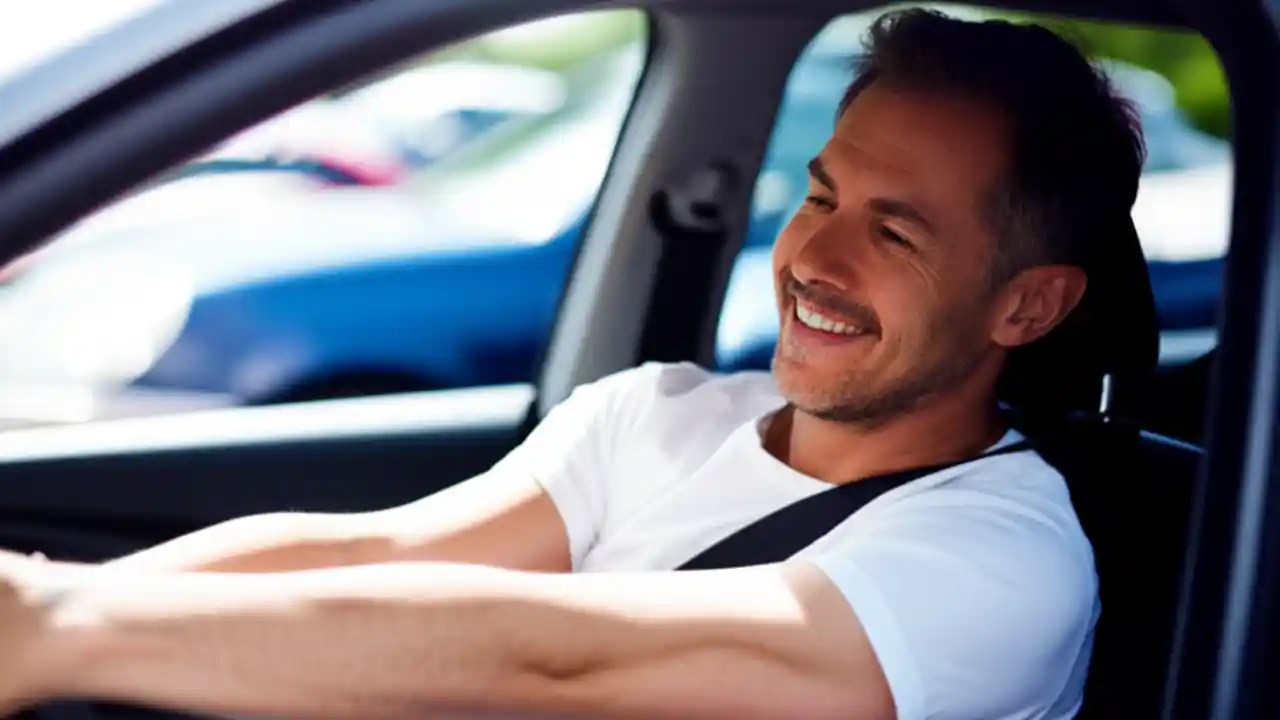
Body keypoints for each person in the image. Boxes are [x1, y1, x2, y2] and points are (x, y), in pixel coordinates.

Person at [0, 9, 1145, 719]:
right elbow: (379, 548)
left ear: (1027, 304)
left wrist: (62, 629)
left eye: (894, 234)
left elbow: (560, 668)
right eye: (819, 195)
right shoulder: (660, 413)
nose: (813, 256)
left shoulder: (1001, 561)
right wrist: (72, 596)